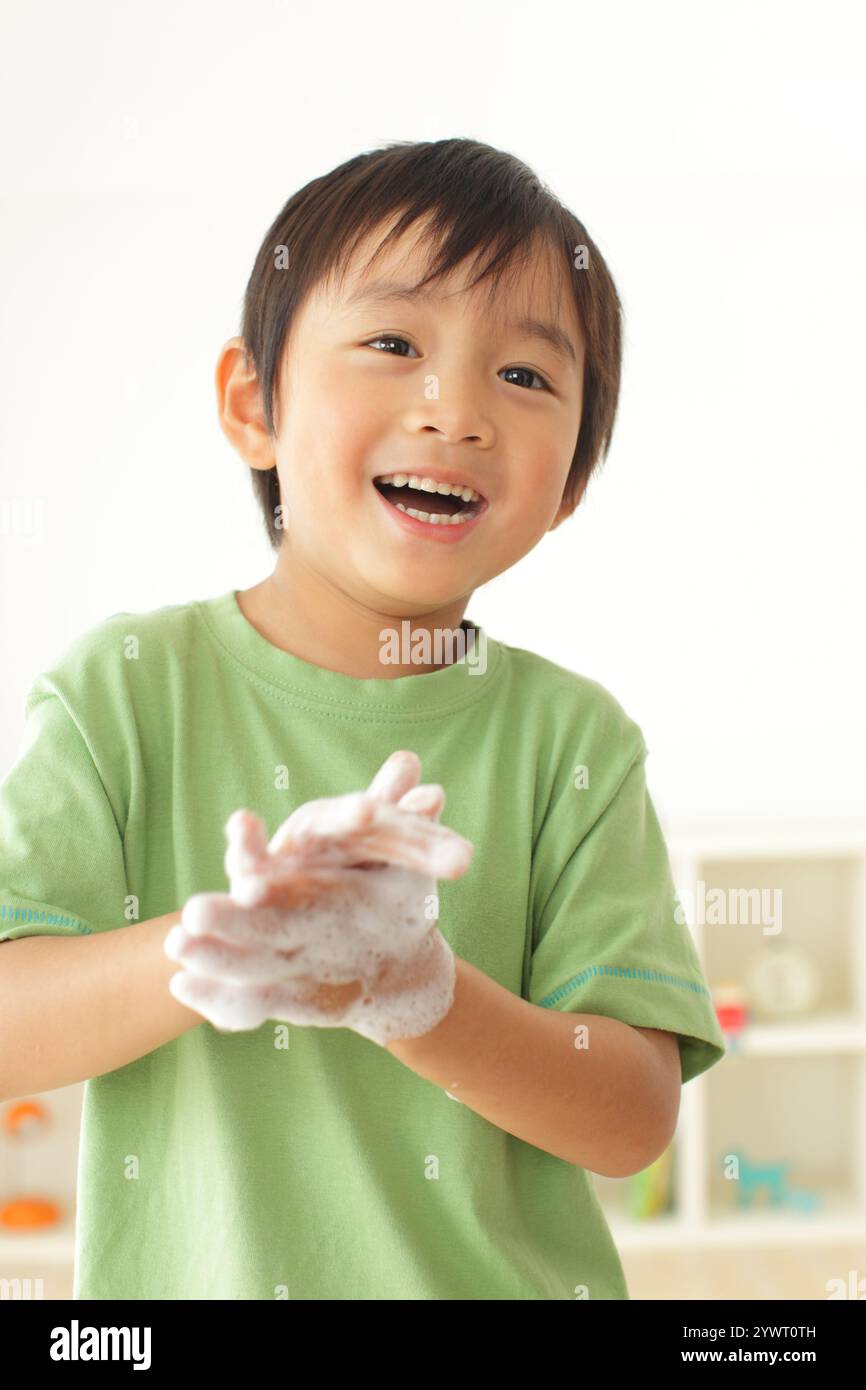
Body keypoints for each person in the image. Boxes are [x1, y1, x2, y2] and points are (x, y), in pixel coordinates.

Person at [0, 137, 726, 1300]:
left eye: (526, 377)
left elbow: (629, 1115)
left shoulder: (572, 742)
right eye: (393, 344)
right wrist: (224, 943)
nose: (455, 411)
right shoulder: (123, 690)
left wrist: (416, 991)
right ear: (254, 403)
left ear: (571, 481)